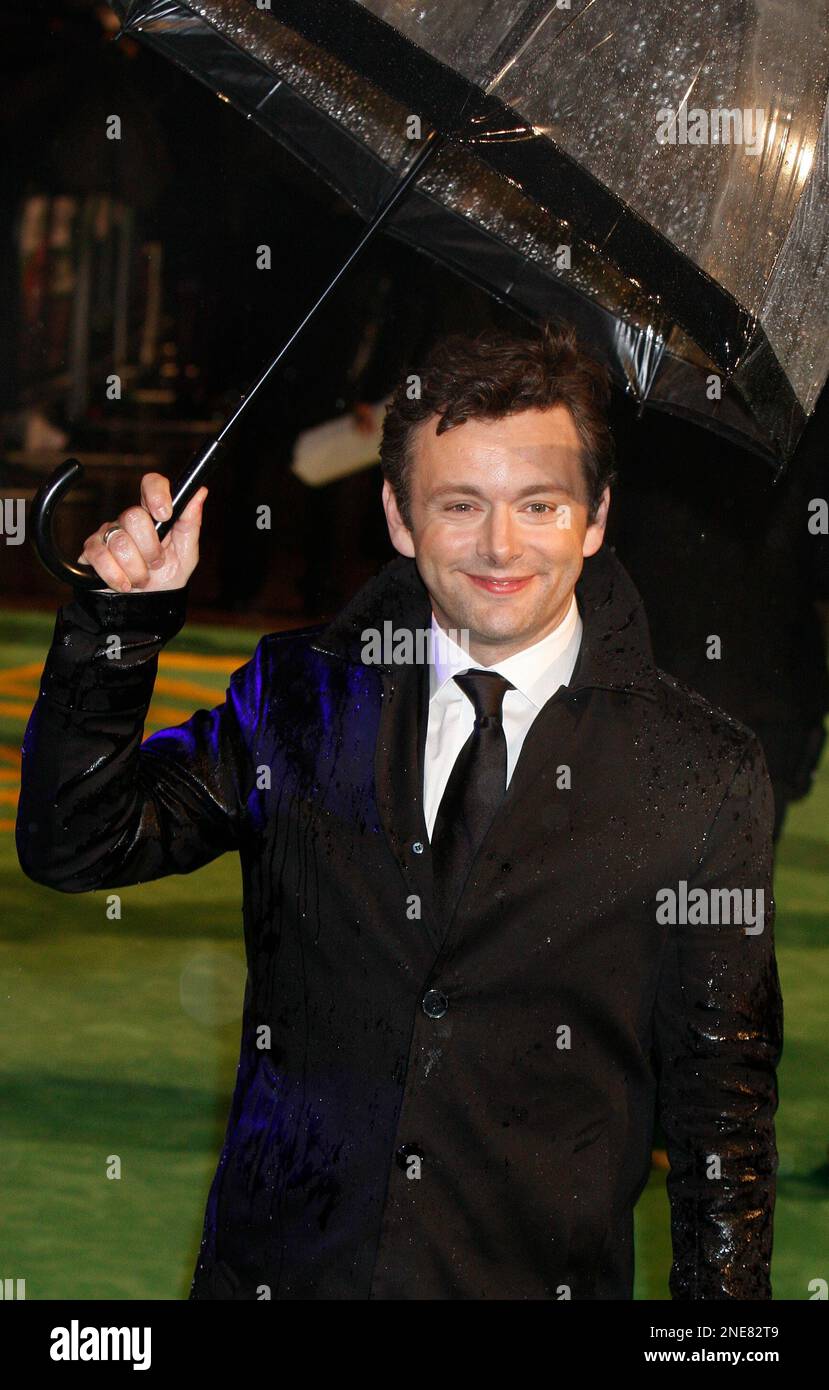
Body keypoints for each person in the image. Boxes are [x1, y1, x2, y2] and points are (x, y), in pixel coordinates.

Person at [17, 324, 783, 1301]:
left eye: (538, 504)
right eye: (459, 504)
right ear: (397, 514)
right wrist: (114, 630)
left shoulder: (701, 775)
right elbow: (77, 843)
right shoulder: (296, 697)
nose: (500, 546)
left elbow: (722, 1117)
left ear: (594, 517)